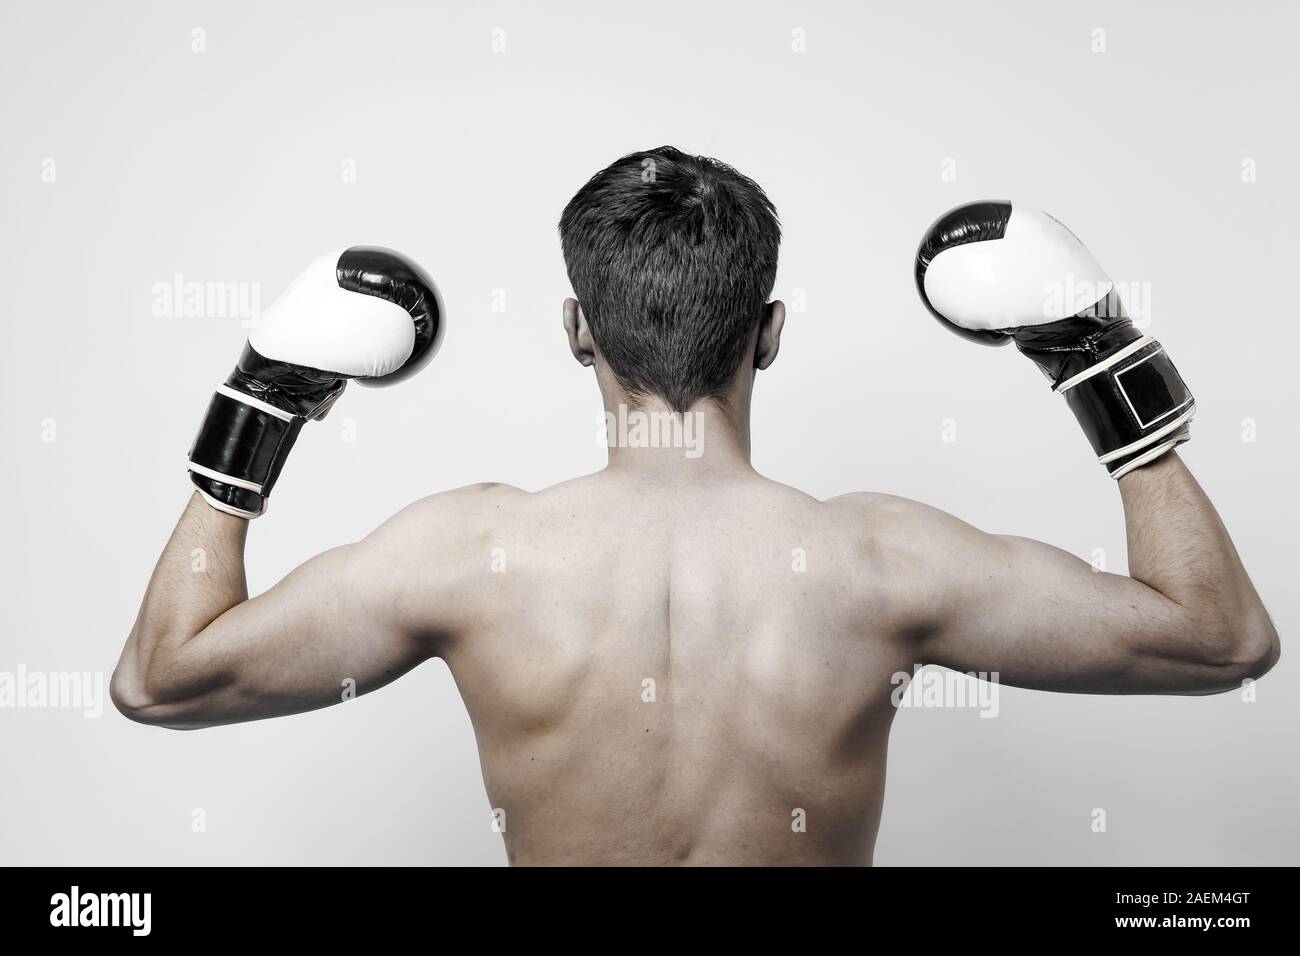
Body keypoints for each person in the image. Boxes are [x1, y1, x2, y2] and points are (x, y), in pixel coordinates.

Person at [112, 147, 1279, 866]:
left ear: (579, 332)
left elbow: (160, 677)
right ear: (768, 332)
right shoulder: (881, 560)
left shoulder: (469, 553)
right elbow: (1219, 636)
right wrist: (1096, 359)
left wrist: (260, 401)